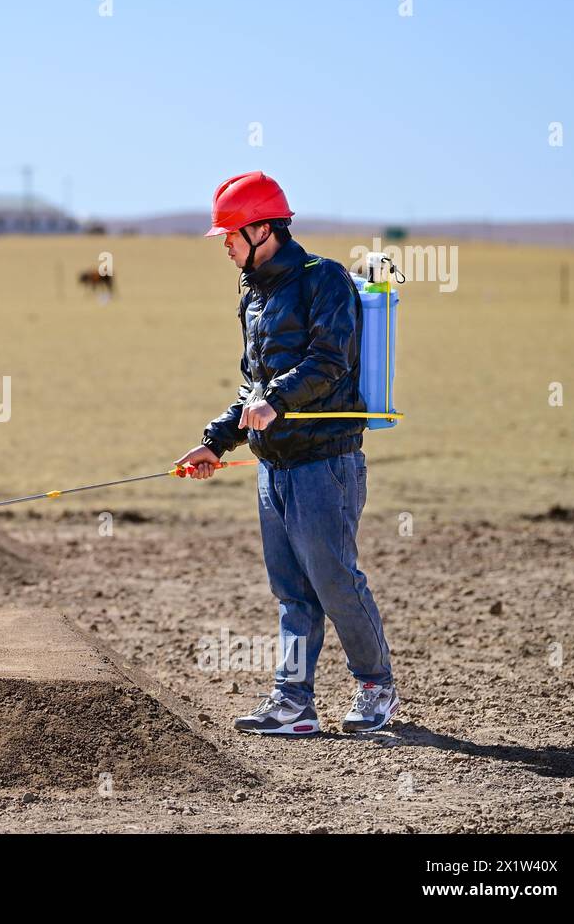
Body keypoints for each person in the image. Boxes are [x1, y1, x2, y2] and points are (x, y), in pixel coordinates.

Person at [175, 171, 398, 735]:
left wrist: (274, 399)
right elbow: (253, 385)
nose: (224, 244)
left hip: (326, 462)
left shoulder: (322, 280)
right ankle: (294, 703)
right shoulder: (255, 293)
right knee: (290, 591)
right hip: (274, 466)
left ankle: (376, 686)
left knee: (334, 580)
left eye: (230, 233)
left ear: (263, 229)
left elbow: (332, 361)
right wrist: (214, 440)